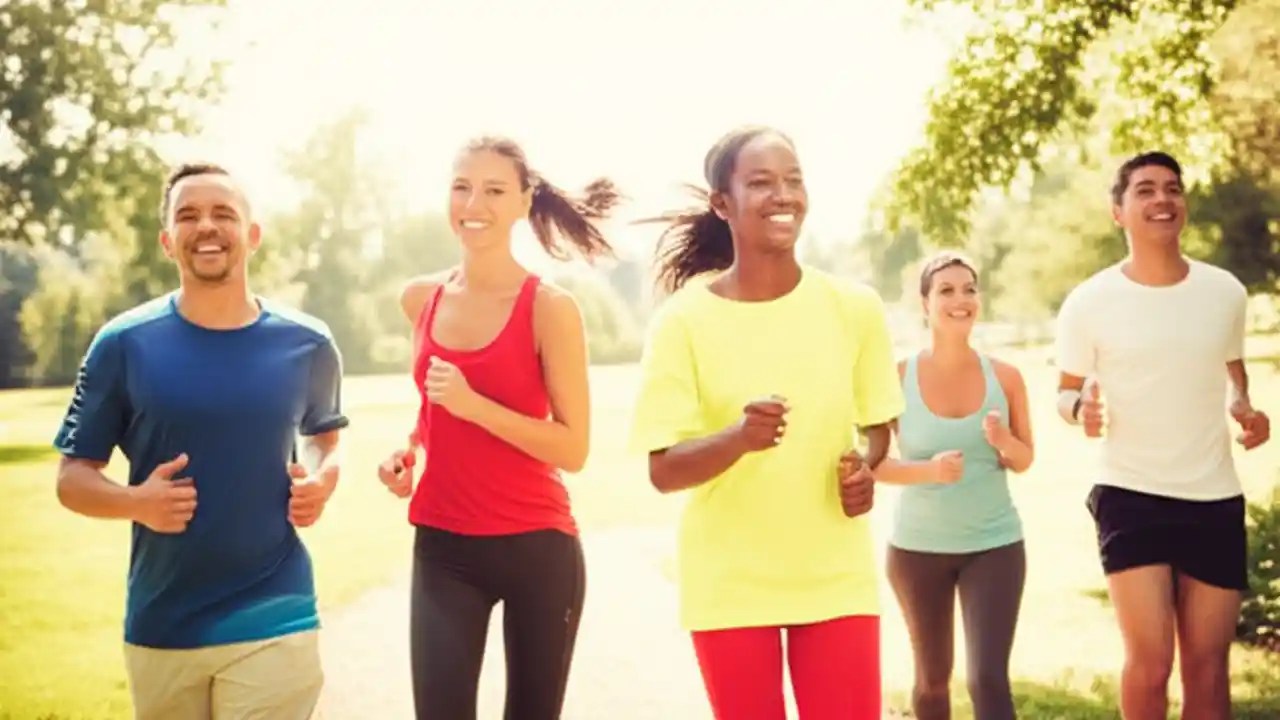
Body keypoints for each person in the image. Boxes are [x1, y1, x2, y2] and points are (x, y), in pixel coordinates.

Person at [52, 163, 348, 720]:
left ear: (252, 234)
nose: (206, 226)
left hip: (276, 611)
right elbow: (72, 480)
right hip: (163, 622)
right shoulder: (122, 344)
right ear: (167, 241)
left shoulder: (308, 343)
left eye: (223, 214)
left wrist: (321, 479)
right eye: (187, 215)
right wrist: (137, 502)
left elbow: (325, 439)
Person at [627, 125, 904, 720]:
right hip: (729, 581)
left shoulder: (854, 308)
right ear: (722, 203)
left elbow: (877, 426)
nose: (783, 195)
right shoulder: (682, 323)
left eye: (793, 180)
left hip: (835, 574)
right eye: (760, 182)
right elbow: (663, 470)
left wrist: (864, 466)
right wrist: (739, 438)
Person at [376, 136, 618, 720]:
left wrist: (474, 405)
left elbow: (574, 447)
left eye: (493, 190)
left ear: (524, 201)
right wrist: (407, 452)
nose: (473, 204)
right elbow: (433, 410)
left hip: (538, 549)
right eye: (461, 187)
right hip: (444, 548)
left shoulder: (549, 308)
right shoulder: (421, 299)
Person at [1054, 151, 1271, 720]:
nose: (1162, 199)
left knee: (1208, 667)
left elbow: (1232, 369)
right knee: (1150, 665)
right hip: (1131, 494)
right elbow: (1064, 392)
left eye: (1172, 188)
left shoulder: (1224, 292)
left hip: (1213, 496)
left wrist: (1243, 405)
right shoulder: (1089, 301)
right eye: (1145, 190)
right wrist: (1081, 410)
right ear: (1118, 212)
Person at [874, 252, 1035, 720]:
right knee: (931, 683)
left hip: (995, 545)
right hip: (917, 550)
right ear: (924, 303)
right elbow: (874, 464)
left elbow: (1025, 459)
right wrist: (928, 471)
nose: (960, 299)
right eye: (946, 290)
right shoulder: (896, 377)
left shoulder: (1006, 377)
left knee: (988, 679)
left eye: (969, 289)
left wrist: (1003, 440)